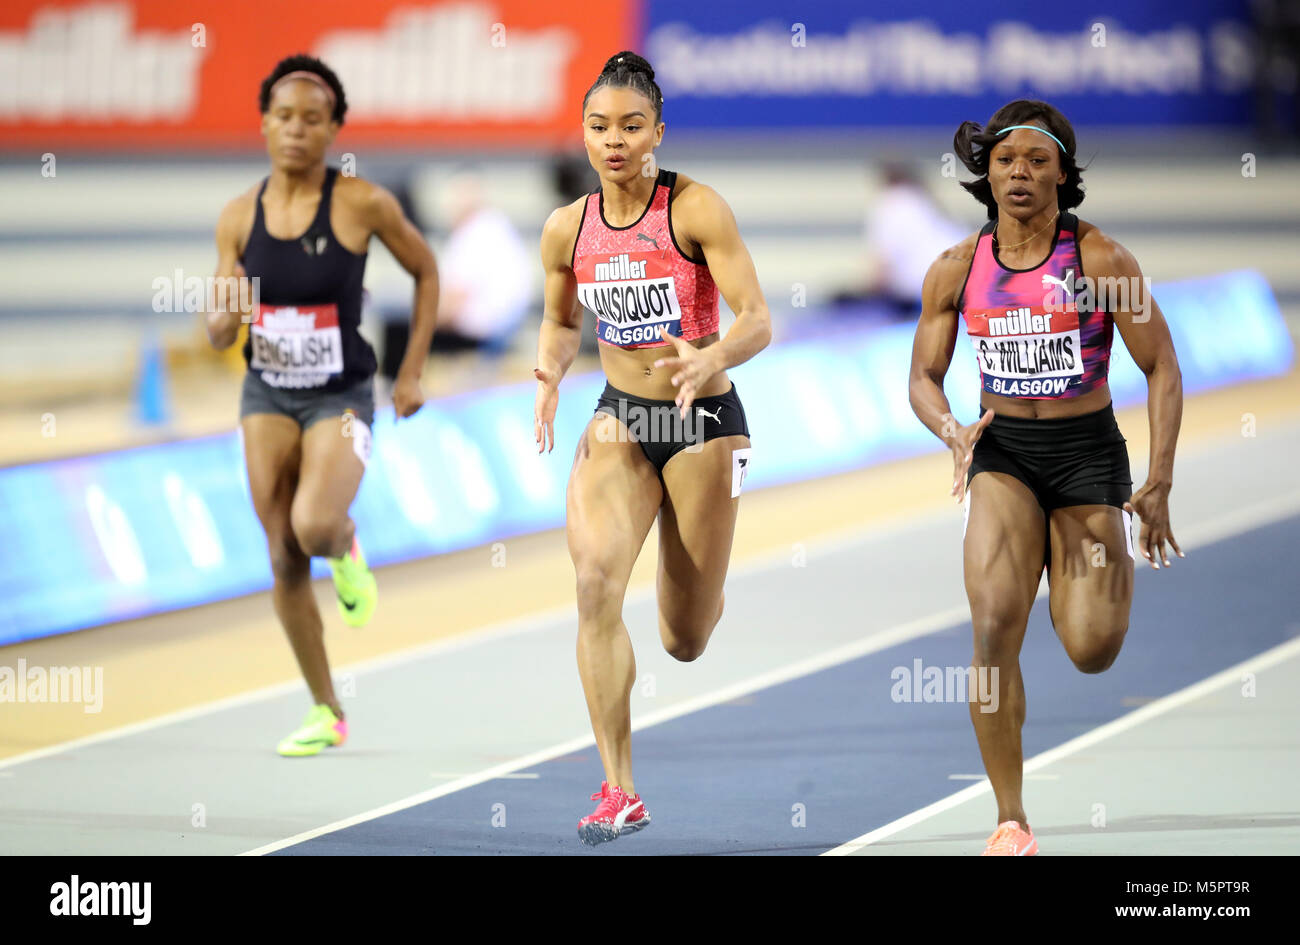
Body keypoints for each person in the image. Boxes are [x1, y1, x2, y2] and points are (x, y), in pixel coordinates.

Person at [907, 100, 1184, 855]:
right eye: (1005, 161)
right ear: (986, 171)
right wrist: (948, 428)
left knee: (1092, 647)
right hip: (1003, 455)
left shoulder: (1099, 260)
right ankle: (1010, 818)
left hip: (1088, 455)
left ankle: (1081, 570)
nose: (1020, 173)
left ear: (1064, 170)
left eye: (1036, 160)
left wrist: (1155, 482)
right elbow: (923, 377)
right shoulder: (957, 268)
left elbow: (1161, 366)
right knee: (994, 624)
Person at [532, 51, 771, 845]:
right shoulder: (568, 228)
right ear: (586, 134)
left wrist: (714, 357)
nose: (614, 141)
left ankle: (700, 580)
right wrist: (547, 376)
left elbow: (759, 318)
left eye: (631, 127)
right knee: (595, 582)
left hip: (701, 420)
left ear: (658, 132)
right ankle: (619, 787)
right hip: (621, 418)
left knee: (684, 636)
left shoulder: (696, 210)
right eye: (600, 127)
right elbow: (564, 321)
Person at [204, 54, 438, 756]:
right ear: (264, 123)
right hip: (267, 393)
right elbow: (219, 325)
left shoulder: (362, 203)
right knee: (280, 555)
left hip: (340, 394)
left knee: (311, 524)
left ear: (335, 128)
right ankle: (325, 709)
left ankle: (344, 543)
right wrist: (223, 317)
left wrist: (412, 372)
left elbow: (426, 270)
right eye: (282, 117)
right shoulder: (239, 215)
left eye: (312, 119)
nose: (295, 131)